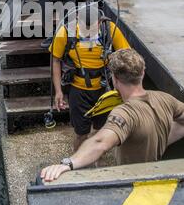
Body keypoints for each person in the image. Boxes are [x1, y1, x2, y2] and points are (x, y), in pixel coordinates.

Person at [41, 49, 184, 182]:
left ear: (114, 79)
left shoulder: (125, 112)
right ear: (143, 73)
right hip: (155, 177)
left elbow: (100, 142)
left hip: (131, 183)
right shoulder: (165, 99)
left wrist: (67, 164)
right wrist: (159, 138)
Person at [49, 4, 130, 151]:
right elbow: (55, 60)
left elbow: (128, 54)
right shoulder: (66, 32)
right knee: (81, 133)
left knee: (101, 131)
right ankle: (77, 162)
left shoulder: (109, 29)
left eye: (91, 28)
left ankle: (99, 162)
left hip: (103, 89)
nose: (87, 32)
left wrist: (125, 87)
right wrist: (58, 91)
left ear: (99, 22)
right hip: (78, 90)